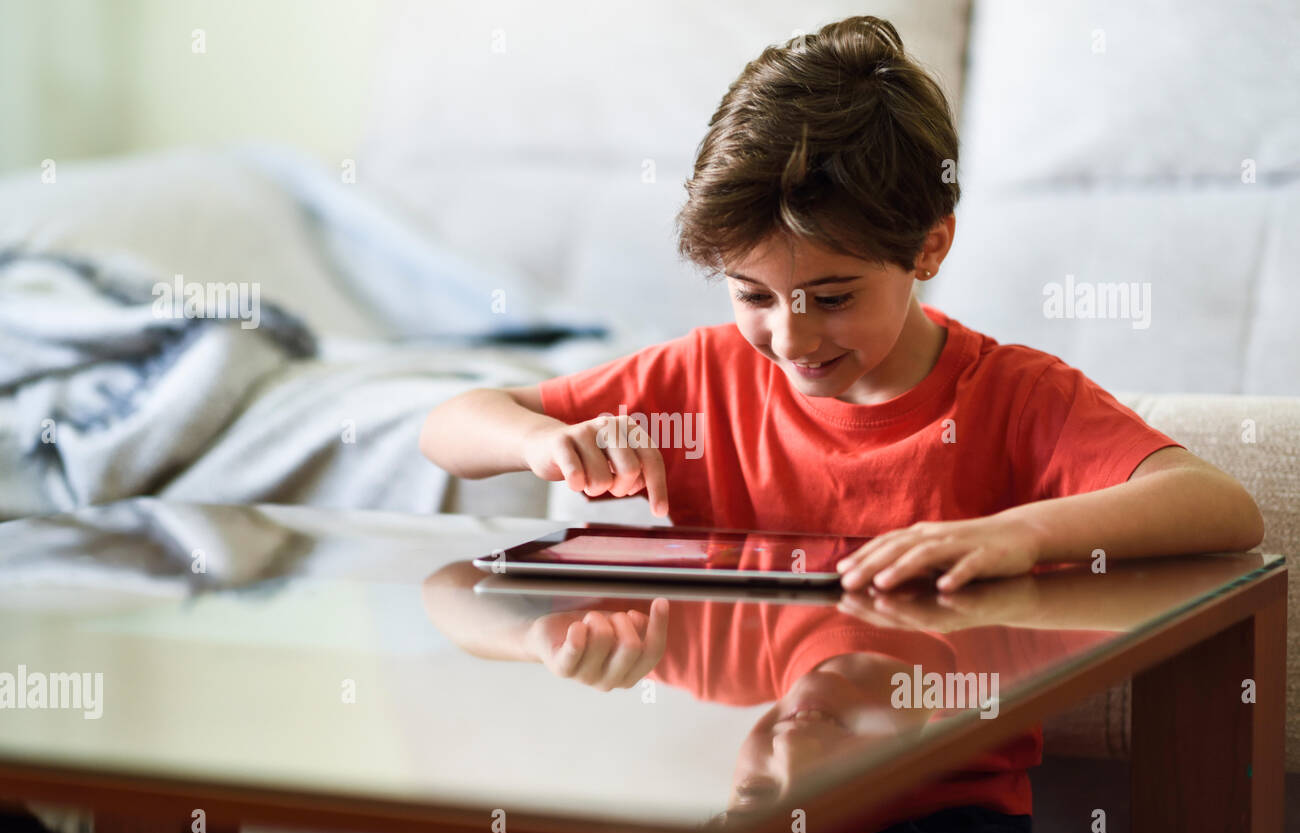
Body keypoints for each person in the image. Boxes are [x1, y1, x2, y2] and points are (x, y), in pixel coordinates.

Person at [421, 16, 1262, 597]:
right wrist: (543, 439)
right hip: (719, 778)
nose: (789, 336)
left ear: (930, 247)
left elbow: (1221, 506)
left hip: (930, 802)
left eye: (830, 297)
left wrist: (1024, 534)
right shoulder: (703, 376)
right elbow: (451, 425)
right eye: (753, 294)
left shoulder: (1011, 398)